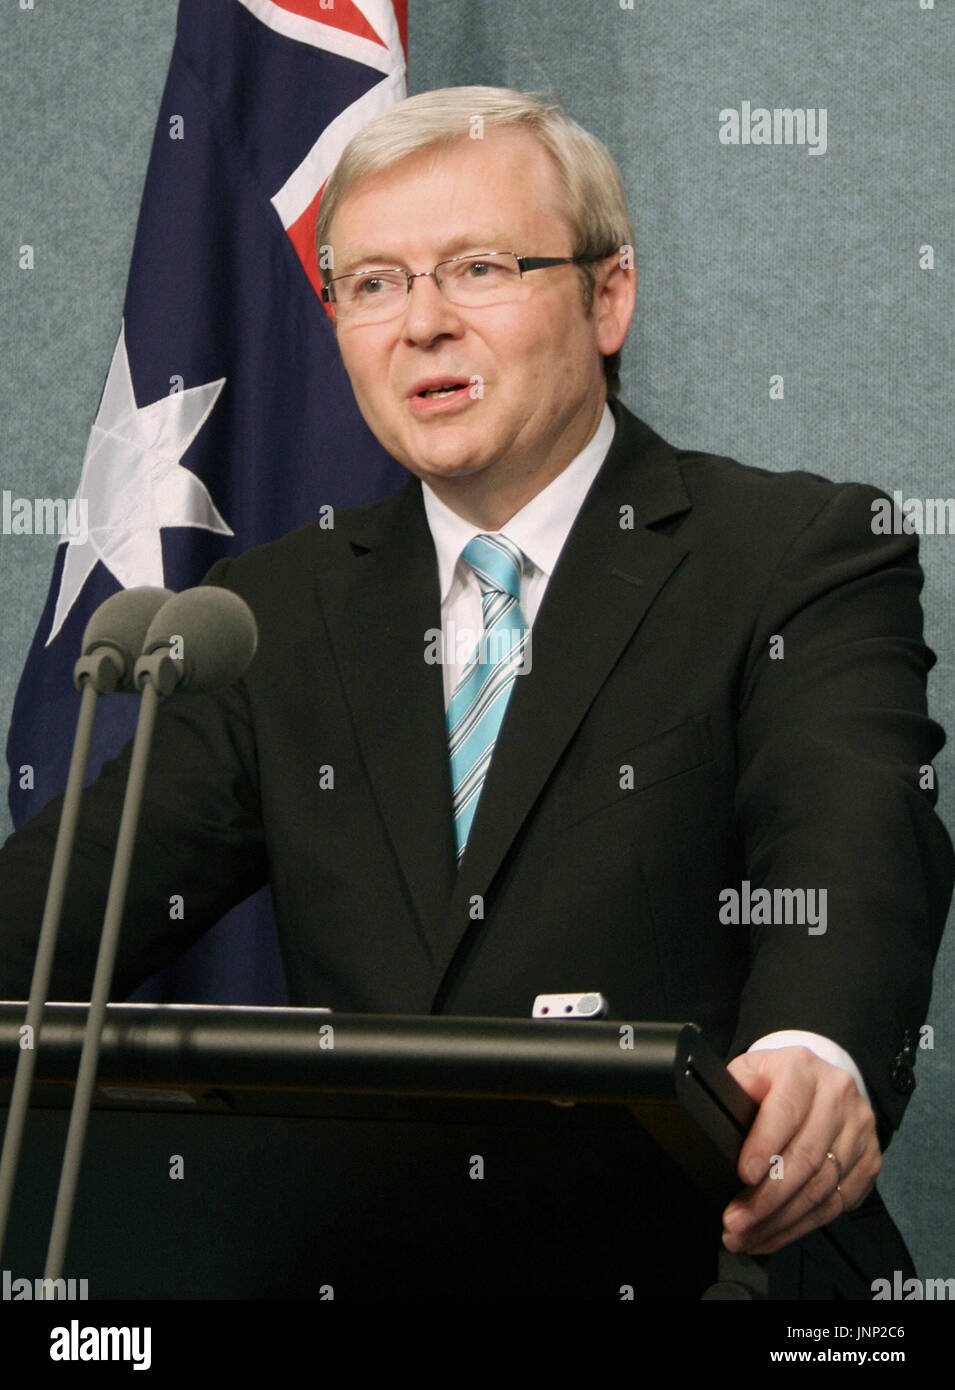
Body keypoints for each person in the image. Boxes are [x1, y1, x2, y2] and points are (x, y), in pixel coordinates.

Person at [1, 87, 951, 1297]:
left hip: (708, 1271)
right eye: (374, 284)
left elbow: (854, 839)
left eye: (479, 268)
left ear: (609, 296)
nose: (423, 326)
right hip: (374, 1273)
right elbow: (69, 901)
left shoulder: (795, 552)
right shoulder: (274, 617)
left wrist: (816, 1051)